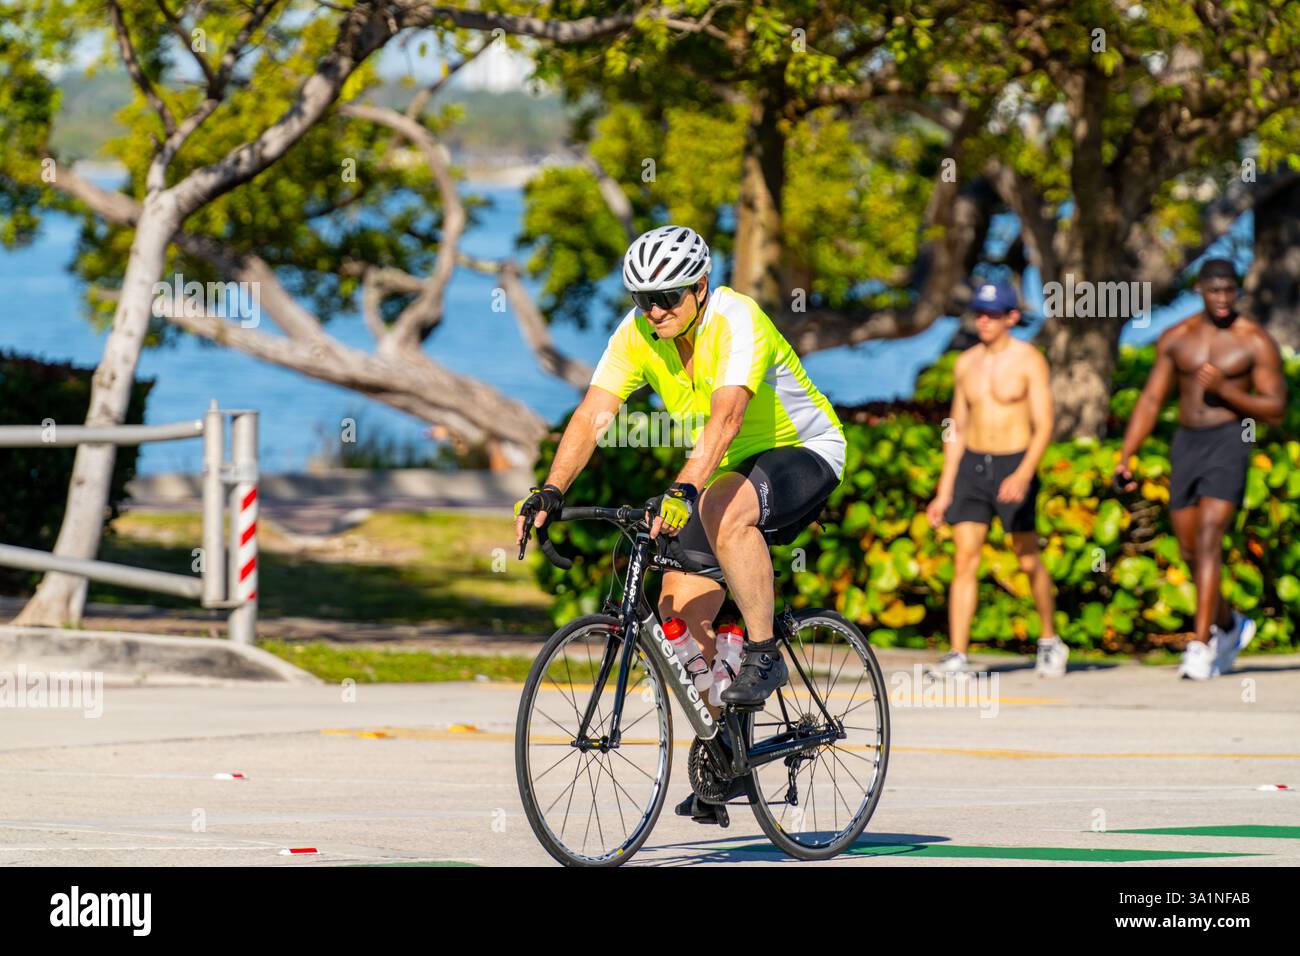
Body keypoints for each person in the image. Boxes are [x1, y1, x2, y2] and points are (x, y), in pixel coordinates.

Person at [514, 224, 846, 822]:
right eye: (643, 299)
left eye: (668, 296)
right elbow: (593, 414)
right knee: (676, 610)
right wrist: (551, 489)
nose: (656, 309)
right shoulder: (639, 333)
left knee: (721, 509)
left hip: (803, 450)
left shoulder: (735, 319)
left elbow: (725, 421)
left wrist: (683, 488)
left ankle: (764, 651)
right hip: (724, 469)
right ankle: (728, 754)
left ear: (700, 285)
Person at [1115, 258, 1286, 680]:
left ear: (1238, 291)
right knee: (1190, 549)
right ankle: (1229, 624)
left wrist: (1226, 390)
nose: (1224, 299)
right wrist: (1126, 454)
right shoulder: (1178, 338)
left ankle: (1200, 642)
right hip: (1187, 443)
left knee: (1211, 537)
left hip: (1230, 441)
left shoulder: (1254, 341)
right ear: (1200, 290)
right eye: (1215, 291)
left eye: (1230, 290)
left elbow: (1276, 409)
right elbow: (1152, 400)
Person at [925, 280, 1065, 676]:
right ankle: (957, 653)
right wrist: (944, 489)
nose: (983, 321)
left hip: (1013, 462)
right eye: (979, 313)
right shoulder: (965, 362)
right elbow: (956, 427)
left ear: (1012, 317)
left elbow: (1044, 424)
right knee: (965, 557)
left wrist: (1023, 473)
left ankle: (1050, 640)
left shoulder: (1028, 359)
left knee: (1026, 556)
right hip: (973, 465)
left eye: (992, 314)